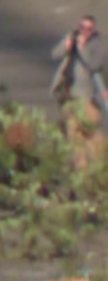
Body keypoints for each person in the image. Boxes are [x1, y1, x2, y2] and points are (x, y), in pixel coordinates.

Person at [51, 15, 108, 167]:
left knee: (91, 131)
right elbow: (55, 54)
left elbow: (94, 65)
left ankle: (99, 164)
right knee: (73, 134)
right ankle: (80, 168)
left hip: (88, 96)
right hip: (69, 95)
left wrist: (81, 49)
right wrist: (66, 46)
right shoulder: (72, 37)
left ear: (93, 30)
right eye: (82, 27)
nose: (85, 32)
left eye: (89, 29)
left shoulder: (97, 44)